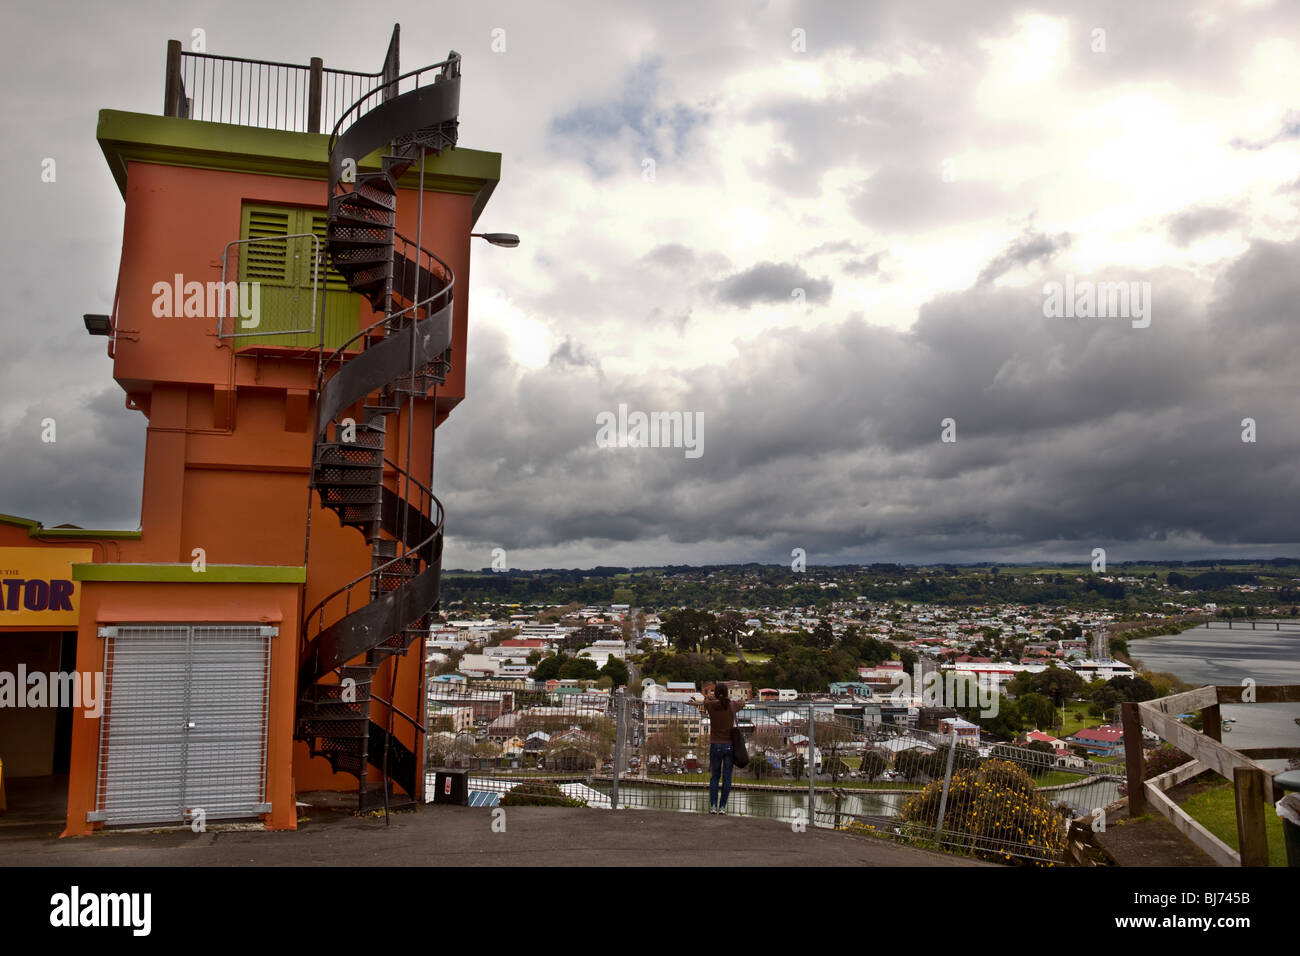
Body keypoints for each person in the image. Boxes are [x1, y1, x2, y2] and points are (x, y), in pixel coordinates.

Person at [698, 681, 740, 814]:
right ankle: (722, 807)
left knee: (715, 777)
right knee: (727, 777)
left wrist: (713, 697)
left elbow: (705, 700)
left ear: (715, 693)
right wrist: (729, 699)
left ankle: (713, 806)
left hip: (715, 744)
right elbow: (743, 702)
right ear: (727, 693)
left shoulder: (710, 705)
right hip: (729, 746)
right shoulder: (732, 705)